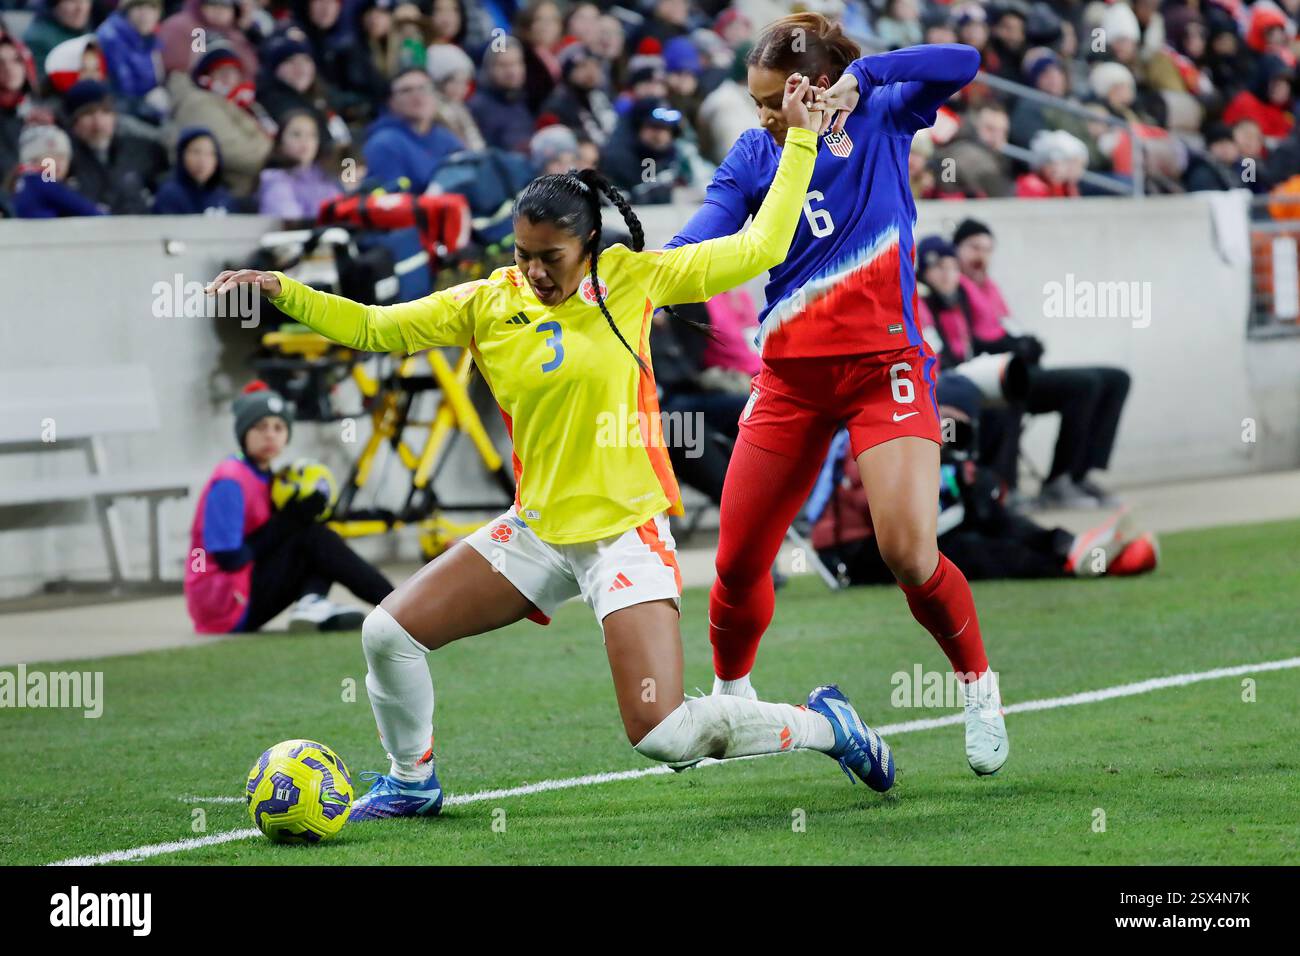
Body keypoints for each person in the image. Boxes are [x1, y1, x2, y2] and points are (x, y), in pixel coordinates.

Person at [206, 74, 898, 820]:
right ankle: (412, 781)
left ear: (589, 243)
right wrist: (284, 290)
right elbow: (378, 328)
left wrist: (799, 141)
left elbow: (761, 243)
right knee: (387, 634)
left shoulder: (631, 282)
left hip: (624, 531)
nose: (535, 271)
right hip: (537, 529)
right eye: (524, 253)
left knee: (662, 734)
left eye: (552, 256)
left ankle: (827, 725)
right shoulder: (486, 301)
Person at [664, 13, 1008, 776]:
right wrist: (645, 274)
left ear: (811, 86)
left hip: (883, 371)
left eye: (767, 98)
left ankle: (978, 686)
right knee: (737, 561)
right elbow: (702, 237)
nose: (757, 115)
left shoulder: (881, 116)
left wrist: (868, 75)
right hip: (790, 381)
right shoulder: (756, 153)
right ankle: (734, 698)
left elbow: (964, 58)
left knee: (909, 555)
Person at [185, 381, 394, 635]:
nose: (270, 434)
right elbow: (230, 559)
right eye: (260, 427)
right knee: (314, 536)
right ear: (244, 433)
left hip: (241, 594)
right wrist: (289, 520)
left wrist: (301, 516)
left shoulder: (269, 477)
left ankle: (312, 601)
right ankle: (396, 605)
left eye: (279, 427)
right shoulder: (230, 480)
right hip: (223, 606)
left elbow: (276, 538)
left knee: (315, 532)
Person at [952, 218, 1132, 508]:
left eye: (987, 249)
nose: (980, 255)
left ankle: (1079, 474)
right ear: (956, 249)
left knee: (1116, 378)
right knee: (1085, 385)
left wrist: (1025, 345)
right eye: (973, 247)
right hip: (995, 375)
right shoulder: (956, 287)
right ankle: (1058, 480)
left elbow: (1009, 329)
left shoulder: (988, 287)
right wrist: (1014, 347)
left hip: (1019, 369)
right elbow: (970, 344)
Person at [62, 79, 167, 214]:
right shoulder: (61, 157)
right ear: (73, 122)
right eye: (88, 113)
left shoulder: (145, 151)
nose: (98, 123)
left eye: (105, 112)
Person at [361, 68, 464, 193]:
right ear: (391, 102)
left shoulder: (446, 138)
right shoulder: (384, 143)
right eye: (406, 91)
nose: (417, 95)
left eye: (424, 88)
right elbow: (391, 203)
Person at [257, 109, 341, 220]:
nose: (305, 140)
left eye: (312, 135)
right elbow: (291, 222)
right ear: (280, 143)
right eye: (296, 134)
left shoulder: (325, 177)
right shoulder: (274, 179)